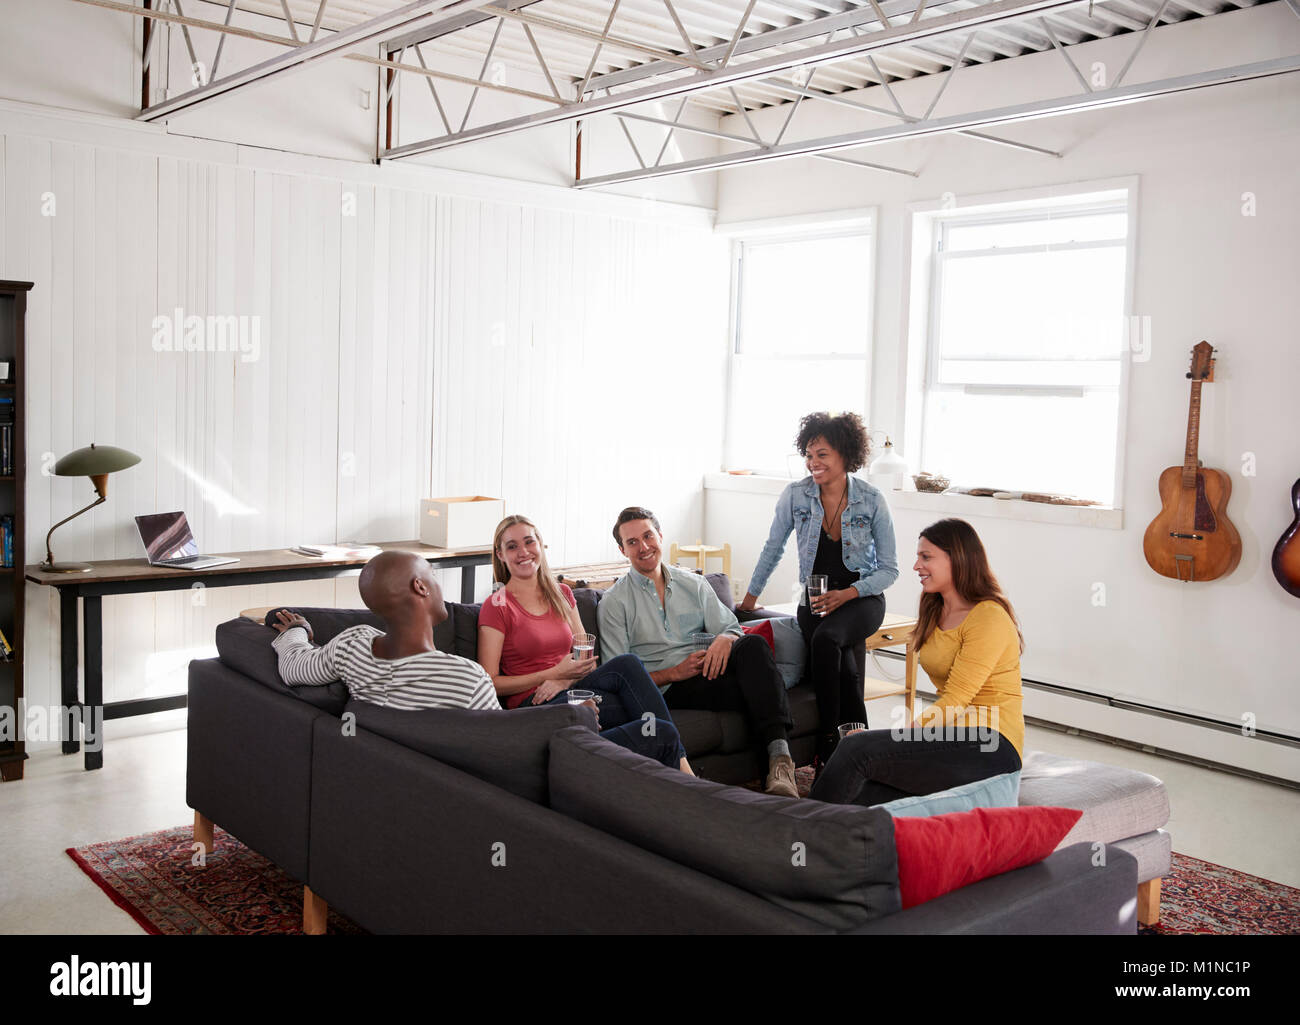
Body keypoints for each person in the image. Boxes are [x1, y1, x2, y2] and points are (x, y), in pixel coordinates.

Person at [269, 550, 680, 767]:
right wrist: (574, 718)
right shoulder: (463, 677)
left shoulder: (351, 646)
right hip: (547, 772)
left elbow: (294, 667)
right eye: (430, 571)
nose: (434, 578)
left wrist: (296, 631)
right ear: (420, 587)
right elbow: (506, 749)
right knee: (657, 732)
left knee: (626, 694)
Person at [809, 518, 1025, 808]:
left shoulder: (989, 616)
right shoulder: (935, 608)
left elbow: (957, 699)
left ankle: (798, 830)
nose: (916, 566)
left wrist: (897, 736)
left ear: (958, 558)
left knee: (856, 748)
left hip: (991, 744)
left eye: (926, 557)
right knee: (859, 790)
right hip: (950, 736)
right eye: (917, 557)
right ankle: (828, 839)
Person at [598, 506, 798, 798]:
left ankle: (781, 763)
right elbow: (617, 677)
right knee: (766, 687)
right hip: (668, 688)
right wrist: (673, 673)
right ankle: (773, 764)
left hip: (710, 672)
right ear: (622, 550)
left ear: (660, 536)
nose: (643, 547)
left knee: (753, 646)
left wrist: (726, 638)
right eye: (632, 542)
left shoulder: (693, 583)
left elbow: (731, 627)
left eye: (648, 536)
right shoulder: (614, 603)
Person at [739, 411, 899, 771]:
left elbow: (889, 569)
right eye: (809, 455)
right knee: (847, 668)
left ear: (845, 453)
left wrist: (849, 594)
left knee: (828, 642)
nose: (813, 463)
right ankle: (861, 746)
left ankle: (827, 746)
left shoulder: (872, 500)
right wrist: (749, 599)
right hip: (813, 602)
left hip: (863, 599)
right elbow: (773, 546)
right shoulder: (796, 496)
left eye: (822, 454)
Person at [477, 514, 693, 774]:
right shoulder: (497, 606)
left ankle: (671, 766)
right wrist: (551, 674)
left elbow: (585, 659)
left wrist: (564, 680)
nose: (523, 552)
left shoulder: (562, 594)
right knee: (655, 727)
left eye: (529, 542)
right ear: (500, 555)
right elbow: (489, 681)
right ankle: (686, 777)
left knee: (628, 665)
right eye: (512, 547)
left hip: (571, 688)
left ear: (540, 545)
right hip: (535, 705)